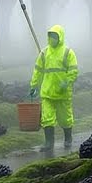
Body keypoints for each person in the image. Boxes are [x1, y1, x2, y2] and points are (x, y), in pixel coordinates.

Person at [29, 24, 78, 152]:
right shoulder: (44, 53)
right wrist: (33, 85)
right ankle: (49, 143)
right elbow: (38, 70)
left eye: (54, 36)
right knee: (47, 118)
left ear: (60, 37)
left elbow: (73, 71)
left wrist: (66, 82)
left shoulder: (68, 53)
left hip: (63, 93)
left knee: (65, 118)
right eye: (50, 36)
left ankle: (68, 138)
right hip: (47, 92)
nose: (52, 39)